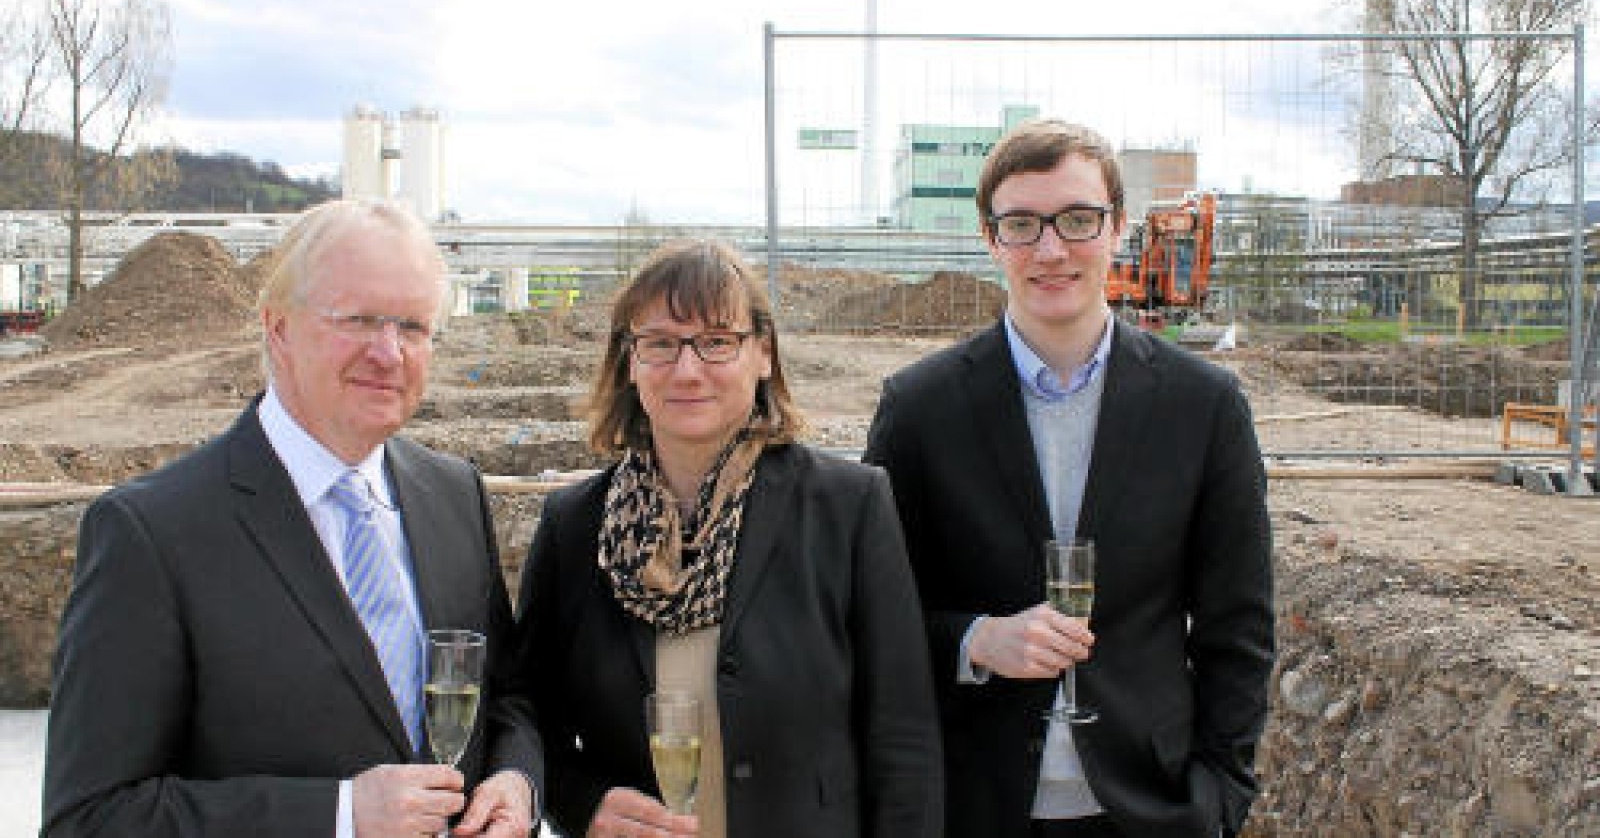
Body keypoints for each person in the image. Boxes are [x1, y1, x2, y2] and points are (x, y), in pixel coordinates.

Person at [42, 199, 542, 837]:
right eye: (358, 320)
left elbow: (507, 698)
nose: (389, 353)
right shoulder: (152, 534)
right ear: (277, 328)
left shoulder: (453, 495)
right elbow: (88, 819)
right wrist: (337, 817)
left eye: (413, 328)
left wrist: (516, 781)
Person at [863, 119, 1274, 838]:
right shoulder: (919, 411)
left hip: (1147, 809)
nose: (1050, 249)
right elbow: (873, 614)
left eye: (1077, 220)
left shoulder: (1203, 408)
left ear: (1116, 228)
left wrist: (1218, 799)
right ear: (991, 239)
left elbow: (1236, 628)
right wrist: (976, 641)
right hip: (974, 805)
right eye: (1021, 224)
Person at [509, 239, 941, 838]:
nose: (687, 370)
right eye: (660, 343)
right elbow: (525, 714)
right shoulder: (575, 526)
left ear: (763, 354)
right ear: (630, 362)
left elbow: (904, 735)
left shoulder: (849, 506)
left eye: (716, 341)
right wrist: (583, 805)